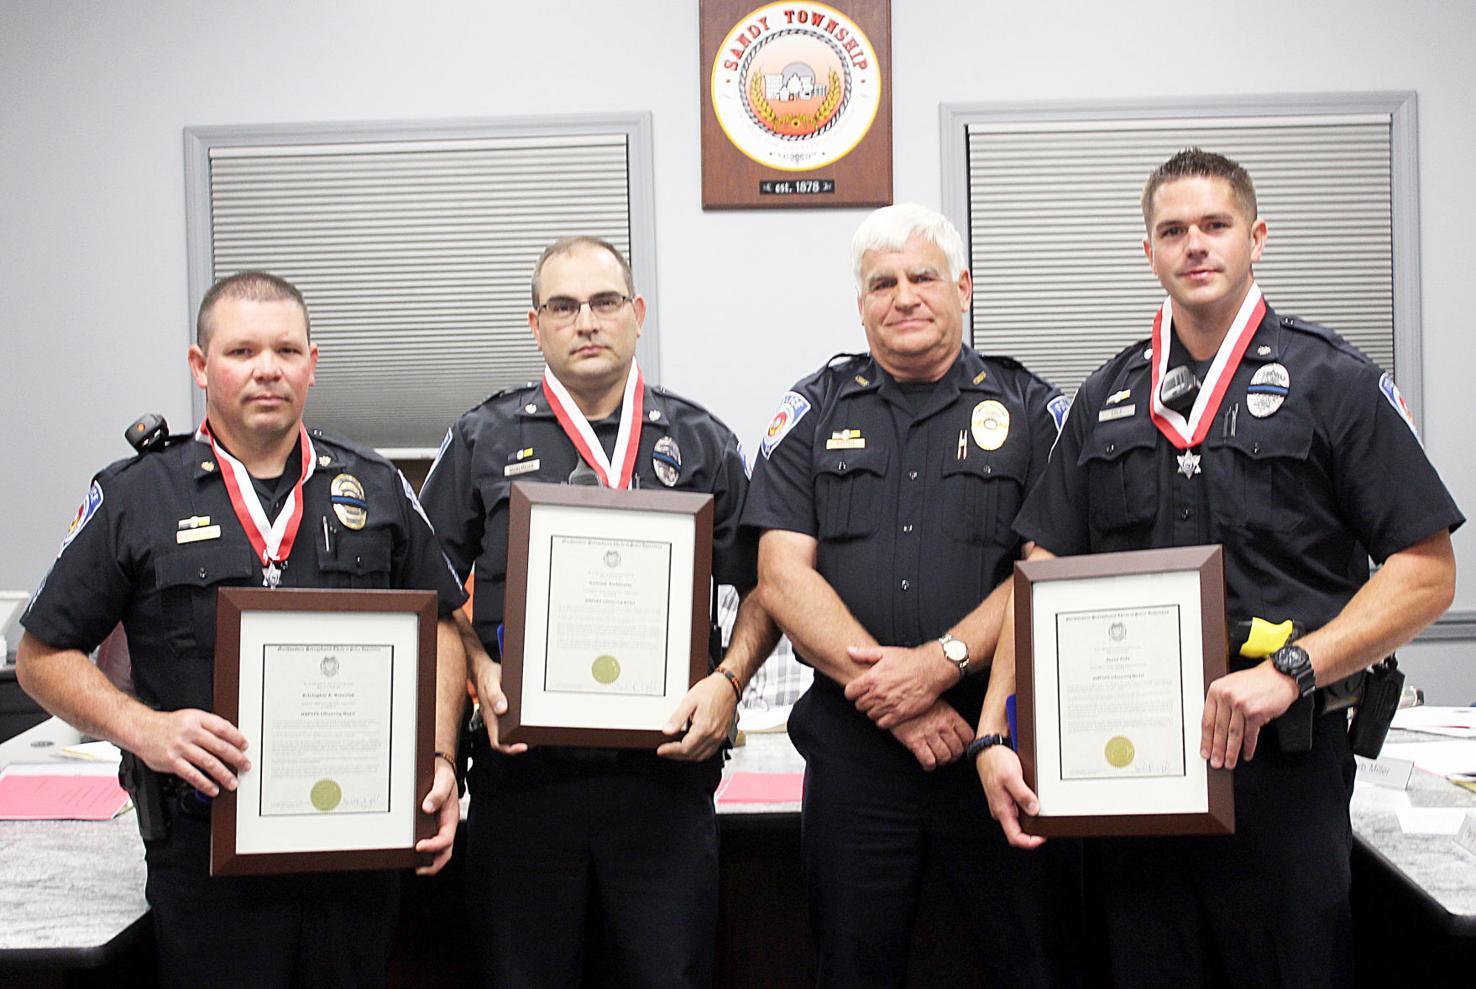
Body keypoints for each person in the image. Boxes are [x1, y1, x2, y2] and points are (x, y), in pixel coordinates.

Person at [976, 149, 1462, 986]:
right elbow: (1043, 567)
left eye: (1214, 225)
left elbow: (1427, 569)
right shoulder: (1106, 396)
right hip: (1132, 767)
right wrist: (996, 728)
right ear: (1149, 251)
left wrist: (1290, 670)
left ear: (1256, 237)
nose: (1194, 244)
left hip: (1284, 759)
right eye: (1173, 230)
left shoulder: (1335, 383)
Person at [16, 271, 470, 989]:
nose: (267, 369)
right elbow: (41, 655)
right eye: (242, 351)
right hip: (204, 857)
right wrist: (145, 730)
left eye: (286, 350)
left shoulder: (376, 486)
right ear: (200, 366)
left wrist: (439, 758)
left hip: (354, 849)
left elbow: (442, 624)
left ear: (312, 364)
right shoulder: (138, 496)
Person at [418, 236, 778, 987]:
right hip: (524, 779)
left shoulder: (702, 441)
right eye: (563, 306)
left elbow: (767, 588)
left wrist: (729, 683)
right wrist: (480, 670)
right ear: (535, 324)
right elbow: (427, 595)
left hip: (664, 784)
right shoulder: (482, 438)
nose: (586, 321)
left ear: (637, 313)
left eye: (605, 302)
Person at [743, 203, 1083, 988]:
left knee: (1034, 963)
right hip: (857, 753)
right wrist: (897, 700)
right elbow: (782, 576)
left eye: (923, 277)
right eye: (881, 283)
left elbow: (1046, 569)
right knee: (852, 968)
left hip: (1000, 743)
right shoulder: (813, 411)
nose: (903, 297)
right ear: (860, 303)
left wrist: (939, 663)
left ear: (963, 287)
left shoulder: (1033, 410)